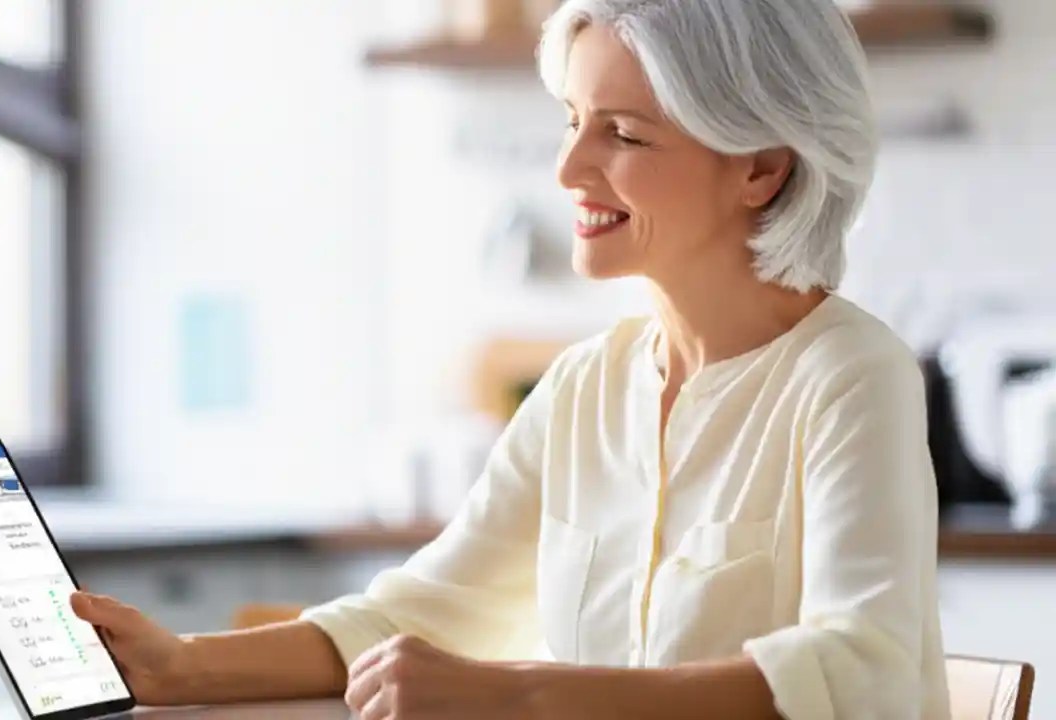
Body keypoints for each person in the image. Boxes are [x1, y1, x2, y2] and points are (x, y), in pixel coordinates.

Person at [72, 0, 951, 717]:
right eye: (572, 121)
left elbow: (860, 670)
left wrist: (517, 692)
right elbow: (421, 612)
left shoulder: (850, 375)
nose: (569, 167)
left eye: (625, 134)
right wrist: (180, 666)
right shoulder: (583, 387)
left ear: (760, 167)